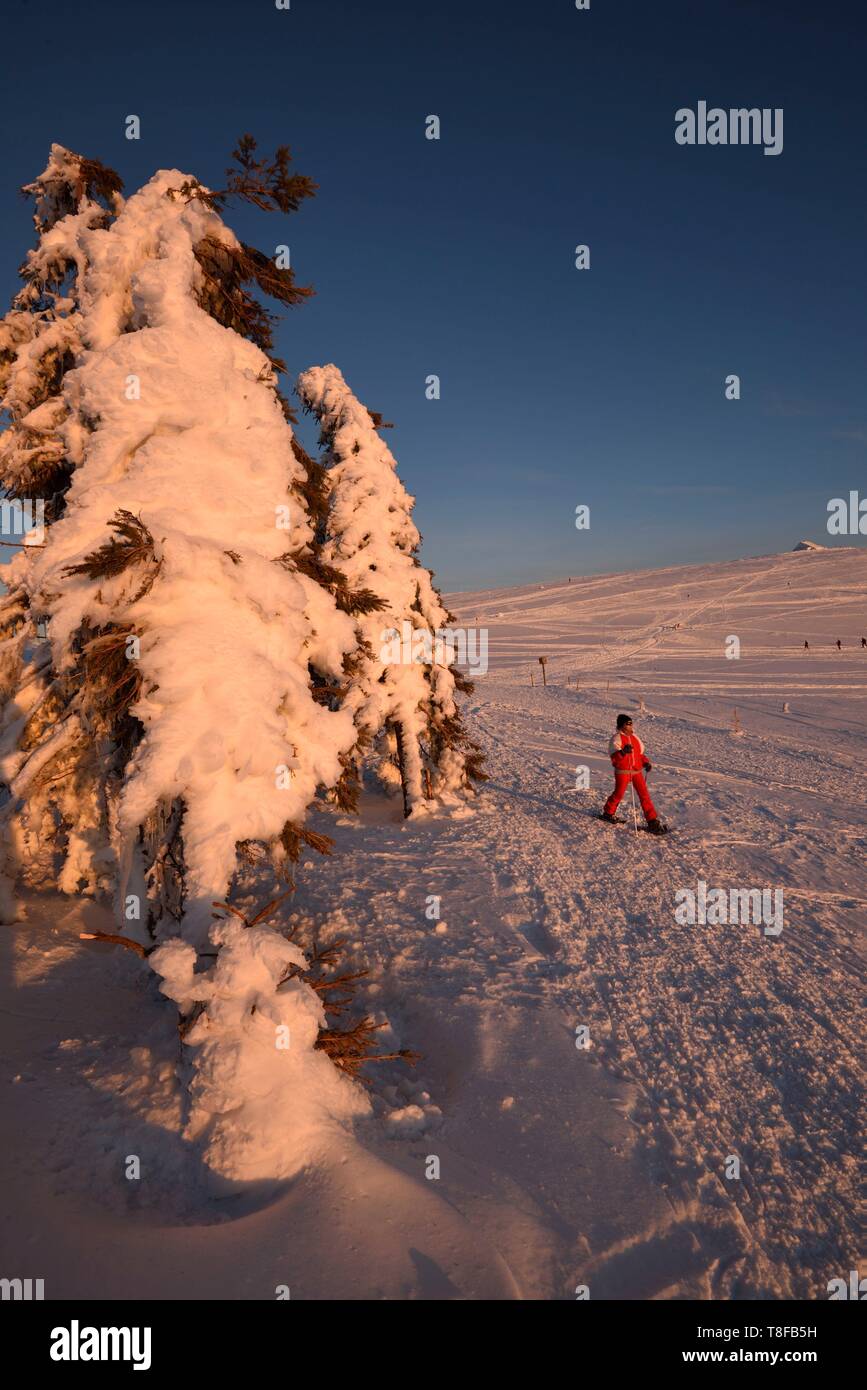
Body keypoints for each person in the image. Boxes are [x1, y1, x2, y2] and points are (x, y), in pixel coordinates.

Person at [599, 714, 668, 833]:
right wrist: (623, 752)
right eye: (627, 724)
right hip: (623, 772)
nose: (630, 726)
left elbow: (640, 755)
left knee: (644, 795)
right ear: (621, 725)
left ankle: (652, 822)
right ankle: (608, 813)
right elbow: (615, 759)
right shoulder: (616, 739)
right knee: (618, 794)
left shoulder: (636, 738)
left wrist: (645, 763)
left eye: (631, 723)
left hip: (636, 772)